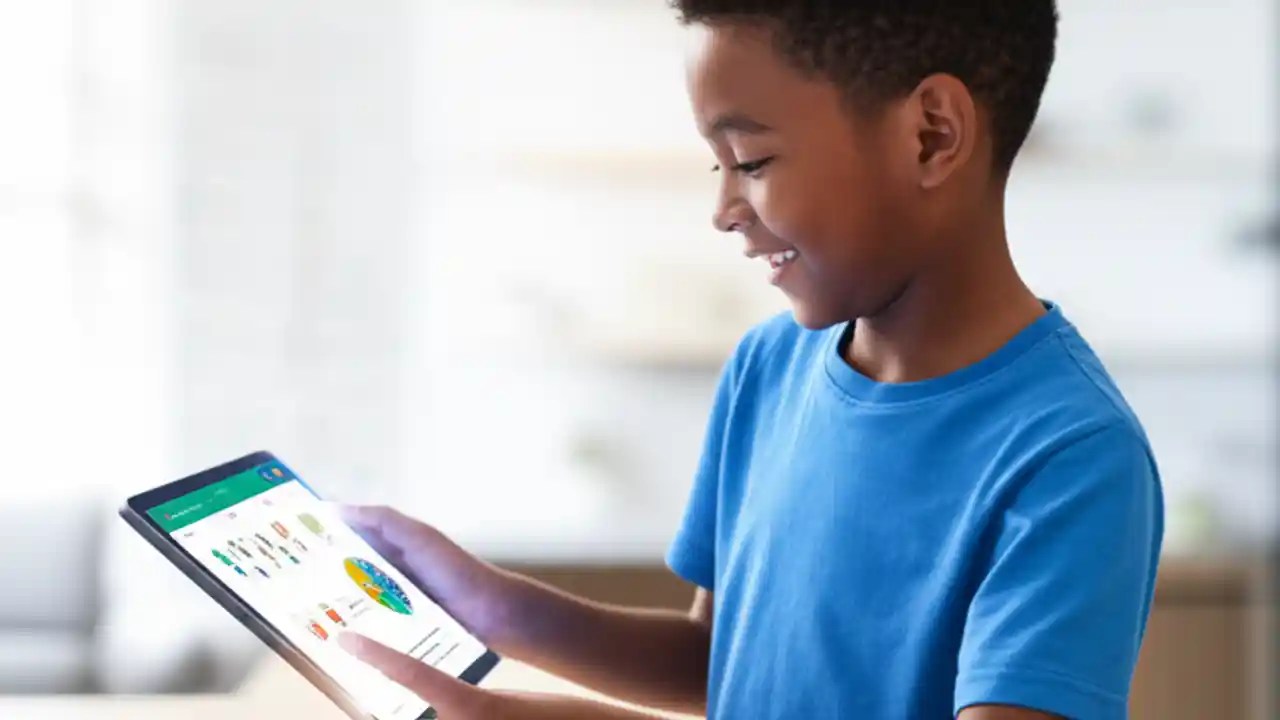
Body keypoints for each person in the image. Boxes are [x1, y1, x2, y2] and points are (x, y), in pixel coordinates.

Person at [338, 1, 1164, 718]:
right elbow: (722, 663)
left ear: (931, 135)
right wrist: (494, 609)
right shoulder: (769, 368)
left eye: (754, 162)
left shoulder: (1071, 458)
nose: (725, 209)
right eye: (719, 164)